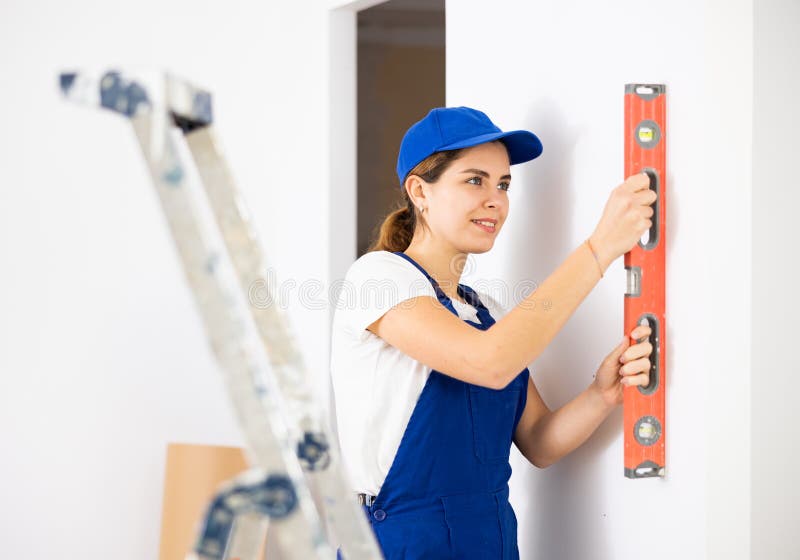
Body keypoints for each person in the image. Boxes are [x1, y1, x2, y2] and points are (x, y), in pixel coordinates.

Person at [330, 106, 655, 559]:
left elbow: (539, 439)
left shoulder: (488, 313)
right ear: (419, 191)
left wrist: (601, 394)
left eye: (503, 184)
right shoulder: (377, 279)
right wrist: (600, 248)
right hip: (404, 543)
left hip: (491, 540)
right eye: (474, 180)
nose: (495, 200)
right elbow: (489, 363)